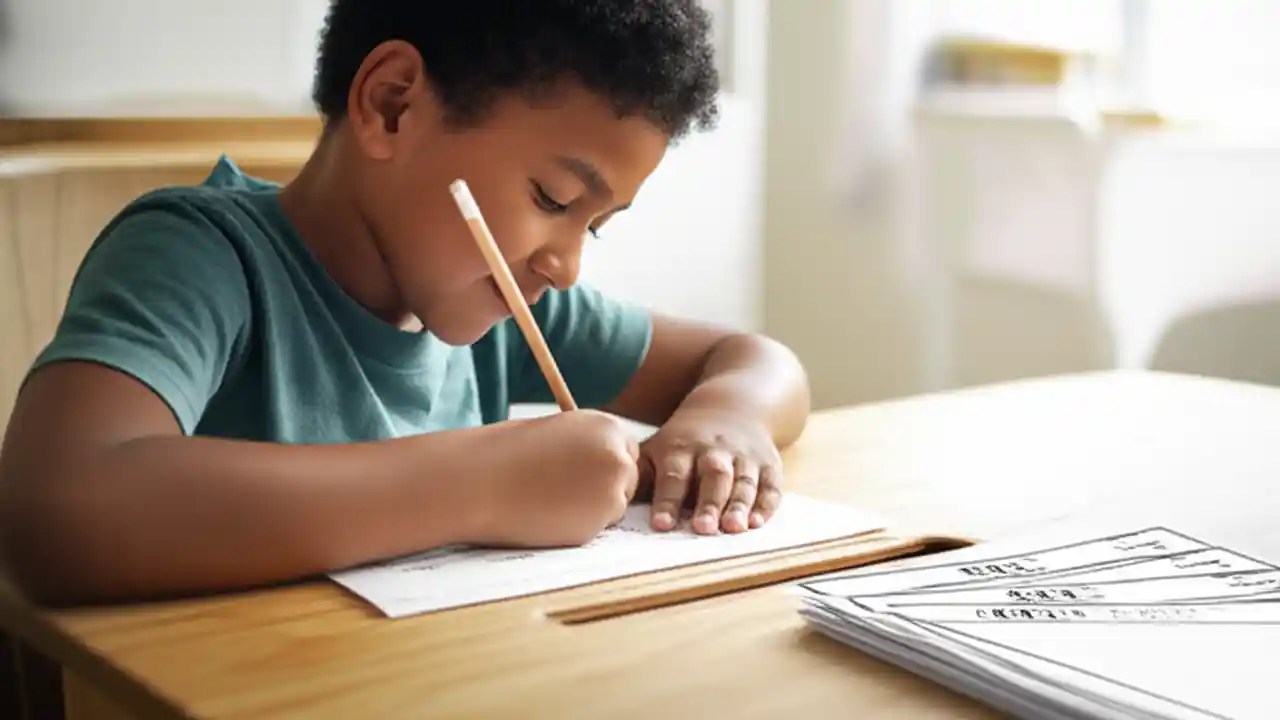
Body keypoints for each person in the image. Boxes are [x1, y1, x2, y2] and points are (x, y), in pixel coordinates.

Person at [0, 0, 810, 604]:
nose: (565, 264)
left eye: (594, 226)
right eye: (553, 197)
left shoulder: (497, 312)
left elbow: (754, 360)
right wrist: (481, 484)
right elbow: (54, 507)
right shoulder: (204, 257)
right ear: (393, 105)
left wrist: (728, 420)